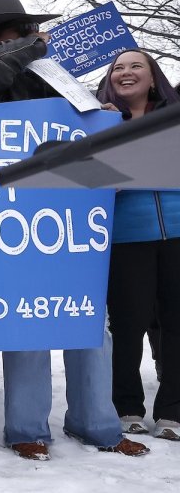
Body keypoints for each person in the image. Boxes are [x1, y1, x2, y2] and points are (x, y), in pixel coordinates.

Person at [0, 0, 149, 460]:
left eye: (22, 30)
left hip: (72, 212)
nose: (21, 37)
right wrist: (33, 47)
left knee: (89, 322)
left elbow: (85, 119)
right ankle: (26, 428)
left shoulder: (54, 72)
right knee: (28, 320)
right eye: (12, 32)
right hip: (14, 215)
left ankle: (95, 423)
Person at [96, 49, 180, 440]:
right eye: (118, 68)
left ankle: (173, 412)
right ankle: (127, 406)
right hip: (126, 239)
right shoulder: (96, 122)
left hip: (178, 235)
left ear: (152, 76)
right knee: (127, 327)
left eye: (135, 66)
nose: (126, 72)